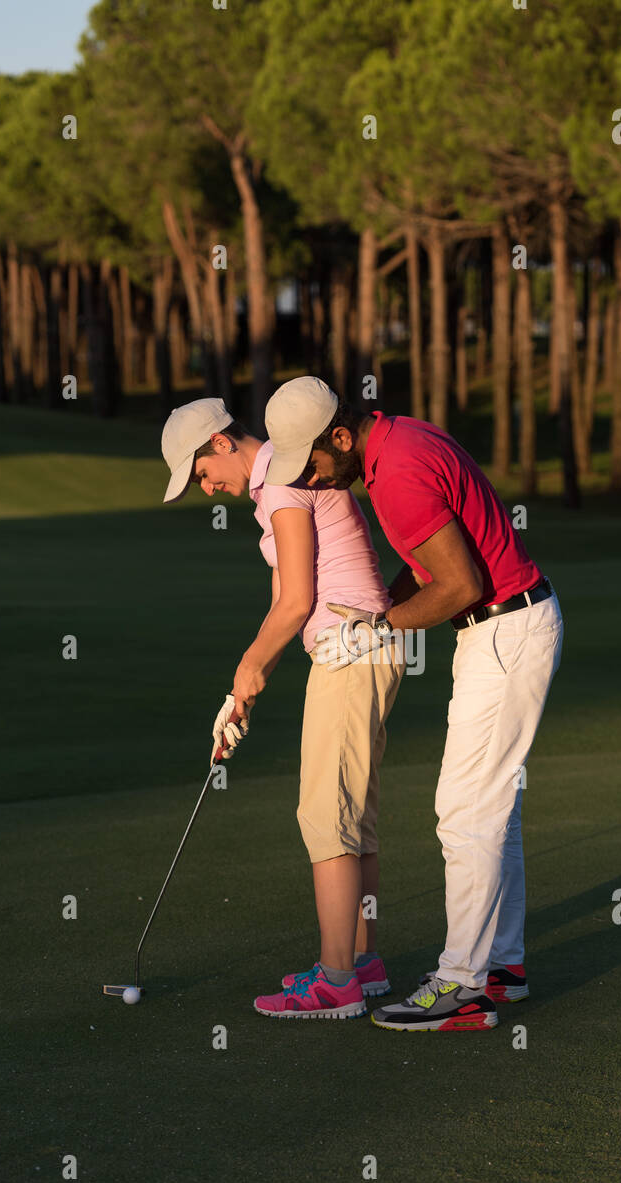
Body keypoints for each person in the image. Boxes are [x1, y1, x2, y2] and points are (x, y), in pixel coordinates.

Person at [263, 378, 564, 1033]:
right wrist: (381, 611)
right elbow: (431, 562)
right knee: (492, 810)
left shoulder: (392, 475)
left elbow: (458, 583)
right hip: (508, 624)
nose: (310, 480)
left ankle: (462, 985)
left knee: (465, 813)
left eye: (312, 462)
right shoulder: (400, 435)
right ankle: (500, 969)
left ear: (339, 437)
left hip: (503, 629)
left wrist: (378, 628)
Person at [160, 393, 404, 1019]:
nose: (208, 489)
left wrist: (244, 670)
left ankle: (337, 981)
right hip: (361, 648)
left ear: (219, 442)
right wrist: (241, 692)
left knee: (326, 815)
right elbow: (284, 607)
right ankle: (362, 961)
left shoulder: (282, 481)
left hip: (350, 649)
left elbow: (298, 601)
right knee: (354, 813)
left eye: (201, 474)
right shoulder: (278, 483)